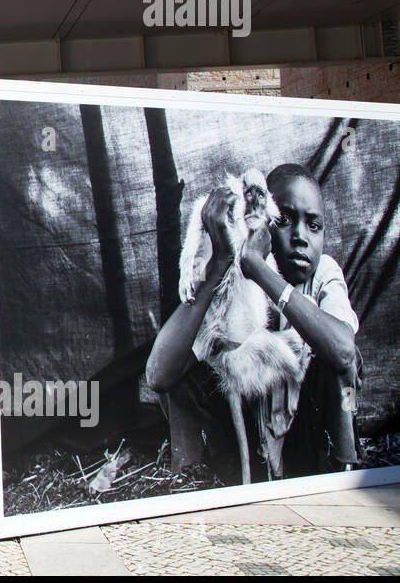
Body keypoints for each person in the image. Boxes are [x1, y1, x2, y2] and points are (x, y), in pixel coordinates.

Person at [146, 163, 361, 483]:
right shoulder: (234, 284)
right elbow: (158, 374)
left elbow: (343, 352)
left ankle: (344, 468)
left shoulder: (322, 274)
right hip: (241, 440)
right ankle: (193, 475)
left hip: (304, 440)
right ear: (259, 219)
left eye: (314, 225)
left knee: (338, 350)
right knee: (186, 363)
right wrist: (221, 262)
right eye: (285, 220)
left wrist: (260, 269)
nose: (300, 237)